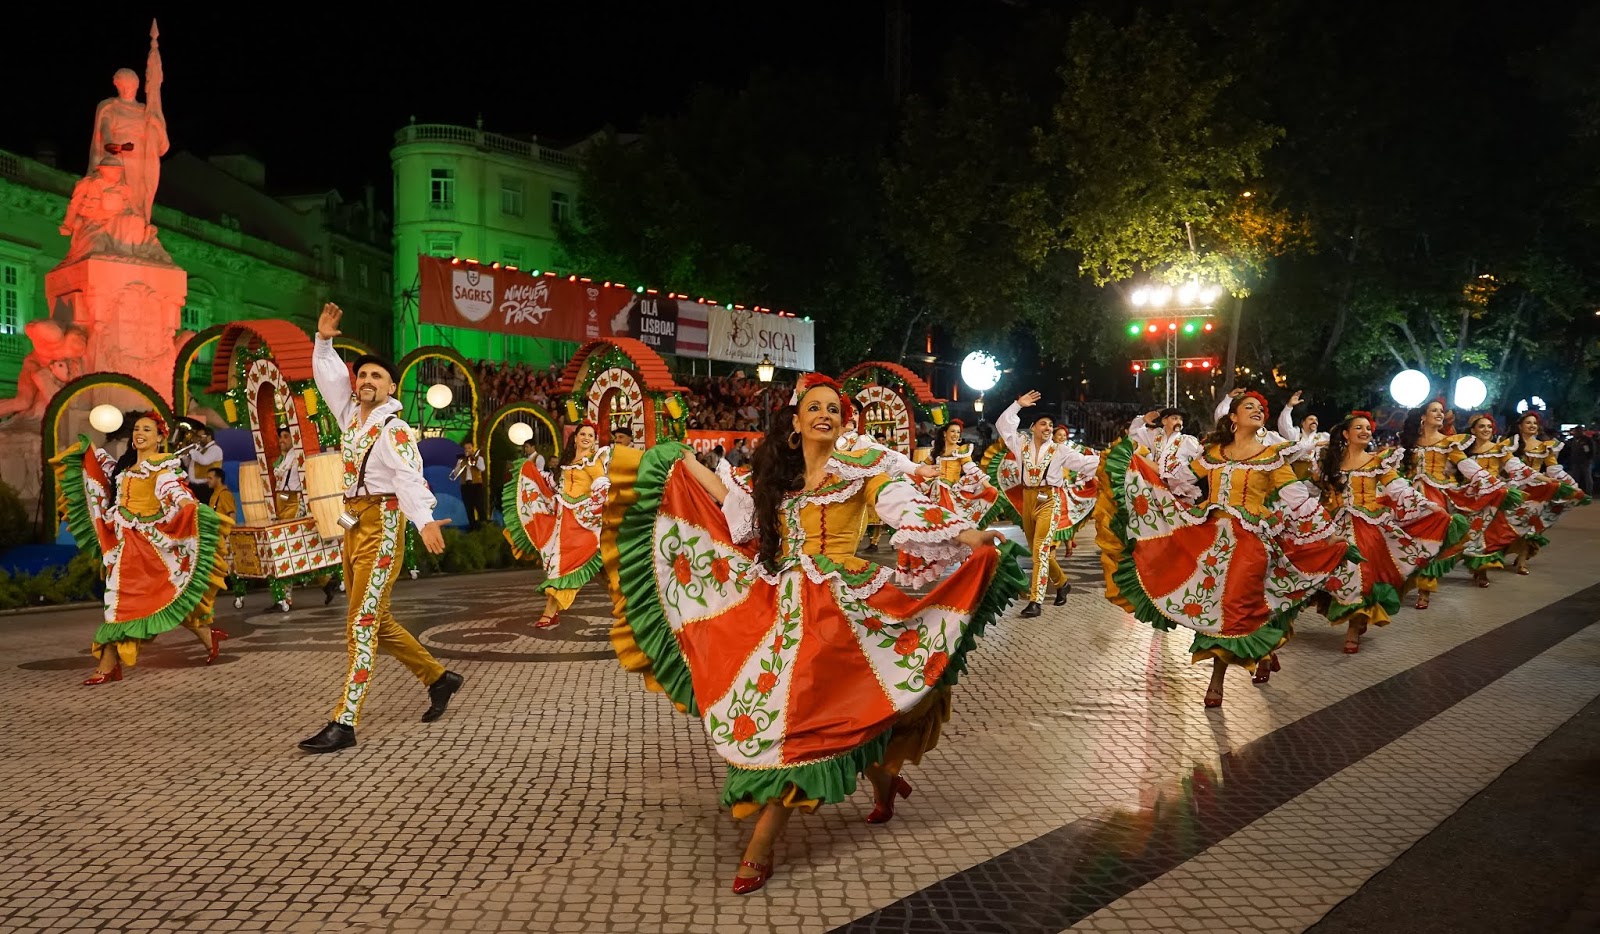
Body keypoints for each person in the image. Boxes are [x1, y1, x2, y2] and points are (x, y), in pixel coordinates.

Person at [601, 374, 1024, 893]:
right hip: (788, 605)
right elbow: (731, 508)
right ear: (796, 424)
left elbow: (904, 508)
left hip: (847, 607)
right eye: (815, 408)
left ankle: (762, 845)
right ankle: (885, 782)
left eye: (834, 409)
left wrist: (964, 533)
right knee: (814, 711)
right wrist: (679, 459)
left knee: (811, 714)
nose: (825, 414)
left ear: (843, 424)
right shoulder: (779, 481)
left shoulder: (864, 470)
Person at [1096, 391, 1359, 707]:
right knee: (1209, 602)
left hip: (1250, 543)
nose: (1258, 410)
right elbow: (1175, 480)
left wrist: (1328, 534)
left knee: (1232, 605)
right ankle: (1262, 652)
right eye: (1249, 407)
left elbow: (1298, 500)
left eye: (1261, 408)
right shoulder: (1213, 454)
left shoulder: (1272, 456)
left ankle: (1216, 681)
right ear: (1232, 417)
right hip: (1209, 538)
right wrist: (1138, 465)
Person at [299, 303, 463, 754]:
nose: (366, 381)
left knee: (361, 625)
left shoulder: (394, 429)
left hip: (382, 526)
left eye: (377, 377)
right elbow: (328, 378)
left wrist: (424, 520)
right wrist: (324, 340)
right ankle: (439, 678)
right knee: (378, 621)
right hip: (354, 520)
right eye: (363, 376)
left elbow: (410, 477)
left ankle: (344, 722)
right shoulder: (351, 415)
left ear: (392, 389)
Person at [50, 412, 232, 684]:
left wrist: (188, 508)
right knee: (160, 598)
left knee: (121, 603)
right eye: (136, 429)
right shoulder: (126, 470)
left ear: (160, 437)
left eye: (147, 429)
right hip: (121, 542)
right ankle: (207, 634)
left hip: (145, 547)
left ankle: (108, 665)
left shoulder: (161, 469)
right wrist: (89, 453)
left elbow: (174, 491)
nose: (140, 433)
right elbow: (107, 474)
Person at [1312, 412, 1467, 652]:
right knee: (1335, 577)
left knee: (1361, 575)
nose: (1365, 431)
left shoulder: (1378, 462)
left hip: (1369, 529)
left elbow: (1401, 491)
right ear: (1345, 434)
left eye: (1368, 428)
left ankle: (1353, 628)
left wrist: (1429, 506)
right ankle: (1357, 616)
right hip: (1336, 527)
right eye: (1359, 428)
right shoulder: (1330, 461)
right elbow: (1313, 491)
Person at [1399, 401, 1520, 601]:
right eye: (1434, 410)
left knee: (1431, 542)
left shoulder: (1449, 442)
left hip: (1436, 495)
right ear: (1423, 416)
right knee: (1406, 540)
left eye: (1441, 411)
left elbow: (1466, 465)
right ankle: (1405, 582)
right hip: (1408, 496)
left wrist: (1490, 482)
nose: (1439, 414)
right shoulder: (1410, 441)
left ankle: (1424, 590)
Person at [995, 391, 1099, 616]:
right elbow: (1003, 426)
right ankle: (1062, 583)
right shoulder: (1020, 444)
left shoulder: (1060, 450)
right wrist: (1017, 405)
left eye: (1050, 424)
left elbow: (1084, 463)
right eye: (1043, 424)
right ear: (1032, 427)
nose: (1048, 428)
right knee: (1036, 550)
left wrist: (1112, 462)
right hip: (1028, 499)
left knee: (1041, 550)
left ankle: (1036, 601)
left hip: (1049, 499)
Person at [503, 423, 610, 630]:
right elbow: (557, 484)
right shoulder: (569, 460)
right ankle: (553, 612)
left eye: (590, 435)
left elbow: (601, 485)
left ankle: (549, 613)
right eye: (583, 434)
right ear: (575, 438)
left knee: (562, 566)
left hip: (582, 523)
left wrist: (594, 508)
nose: (586, 438)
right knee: (561, 565)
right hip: (564, 518)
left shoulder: (593, 461)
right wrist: (536, 476)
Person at [901, 419, 1001, 585]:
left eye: (958, 433)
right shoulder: (936, 451)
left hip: (951, 494)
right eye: (952, 431)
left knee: (957, 530)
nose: (955, 435)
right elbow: (920, 468)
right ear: (945, 434)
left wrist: (987, 485)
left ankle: (968, 566)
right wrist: (904, 473)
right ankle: (922, 566)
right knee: (930, 529)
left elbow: (972, 469)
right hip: (935, 493)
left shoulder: (961, 451)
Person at [272, 424, 305, 520]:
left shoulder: (297, 457)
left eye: (286, 437)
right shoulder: (282, 460)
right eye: (280, 437)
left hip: (294, 503)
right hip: (282, 502)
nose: (281, 440)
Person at [452, 440, 487, 529]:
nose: (467, 450)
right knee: (469, 508)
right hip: (465, 486)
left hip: (476, 485)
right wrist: (461, 465)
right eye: (465, 449)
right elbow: (455, 473)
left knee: (480, 506)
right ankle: (473, 527)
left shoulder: (479, 458)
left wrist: (474, 460)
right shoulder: (461, 460)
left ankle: (484, 527)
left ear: (472, 449)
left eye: (469, 448)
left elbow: (482, 468)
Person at [185, 425, 223, 507]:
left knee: (205, 509)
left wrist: (191, 451)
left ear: (209, 437)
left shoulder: (215, 449)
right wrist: (185, 456)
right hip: (195, 486)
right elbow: (190, 465)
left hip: (206, 487)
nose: (198, 439)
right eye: (197, 436)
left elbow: (204, 461)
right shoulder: (201, 449)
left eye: (200, 436)